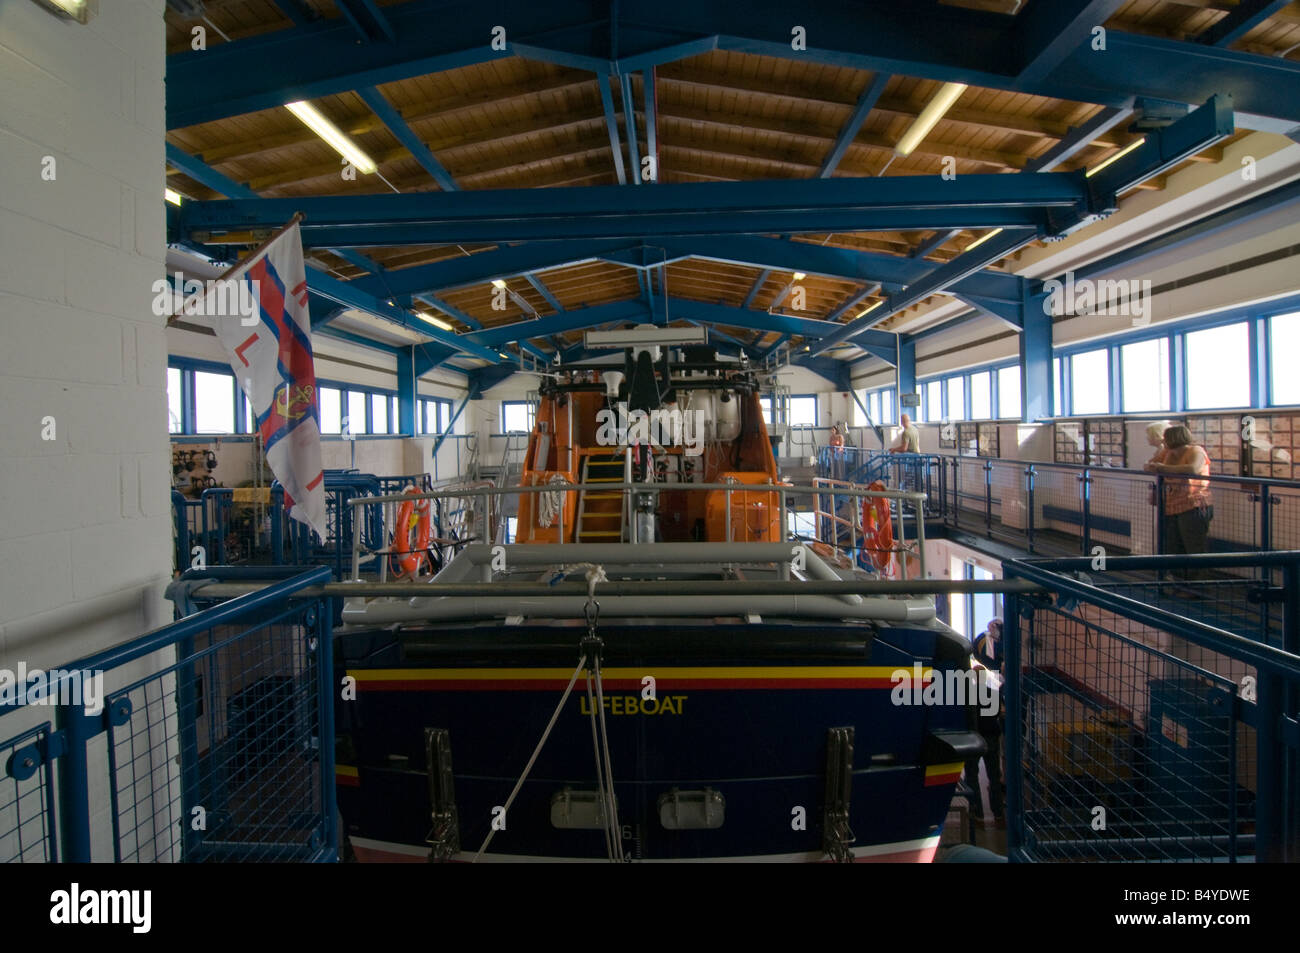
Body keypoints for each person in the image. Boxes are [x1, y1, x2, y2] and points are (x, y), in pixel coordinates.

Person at [1144, 424, 1213, 559]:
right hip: (1172, 506)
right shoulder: (1168, 453)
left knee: (1194, 546)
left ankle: (1198, 578)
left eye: (1165, 438)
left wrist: (1163, 468)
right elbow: (1148, 466)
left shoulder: (1196, 451)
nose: (1163, 442)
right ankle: (1179, 577)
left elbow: (1193, 468)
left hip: (1193, 505)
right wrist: (1159, 466)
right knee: (1173, 545)